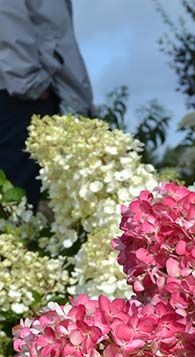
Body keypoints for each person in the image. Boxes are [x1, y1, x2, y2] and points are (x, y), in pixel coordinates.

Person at [0, 0, 93, 205]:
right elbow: (7, 15)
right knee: (21, 209)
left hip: (30, 91)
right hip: (24, 97)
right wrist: (30, 83)